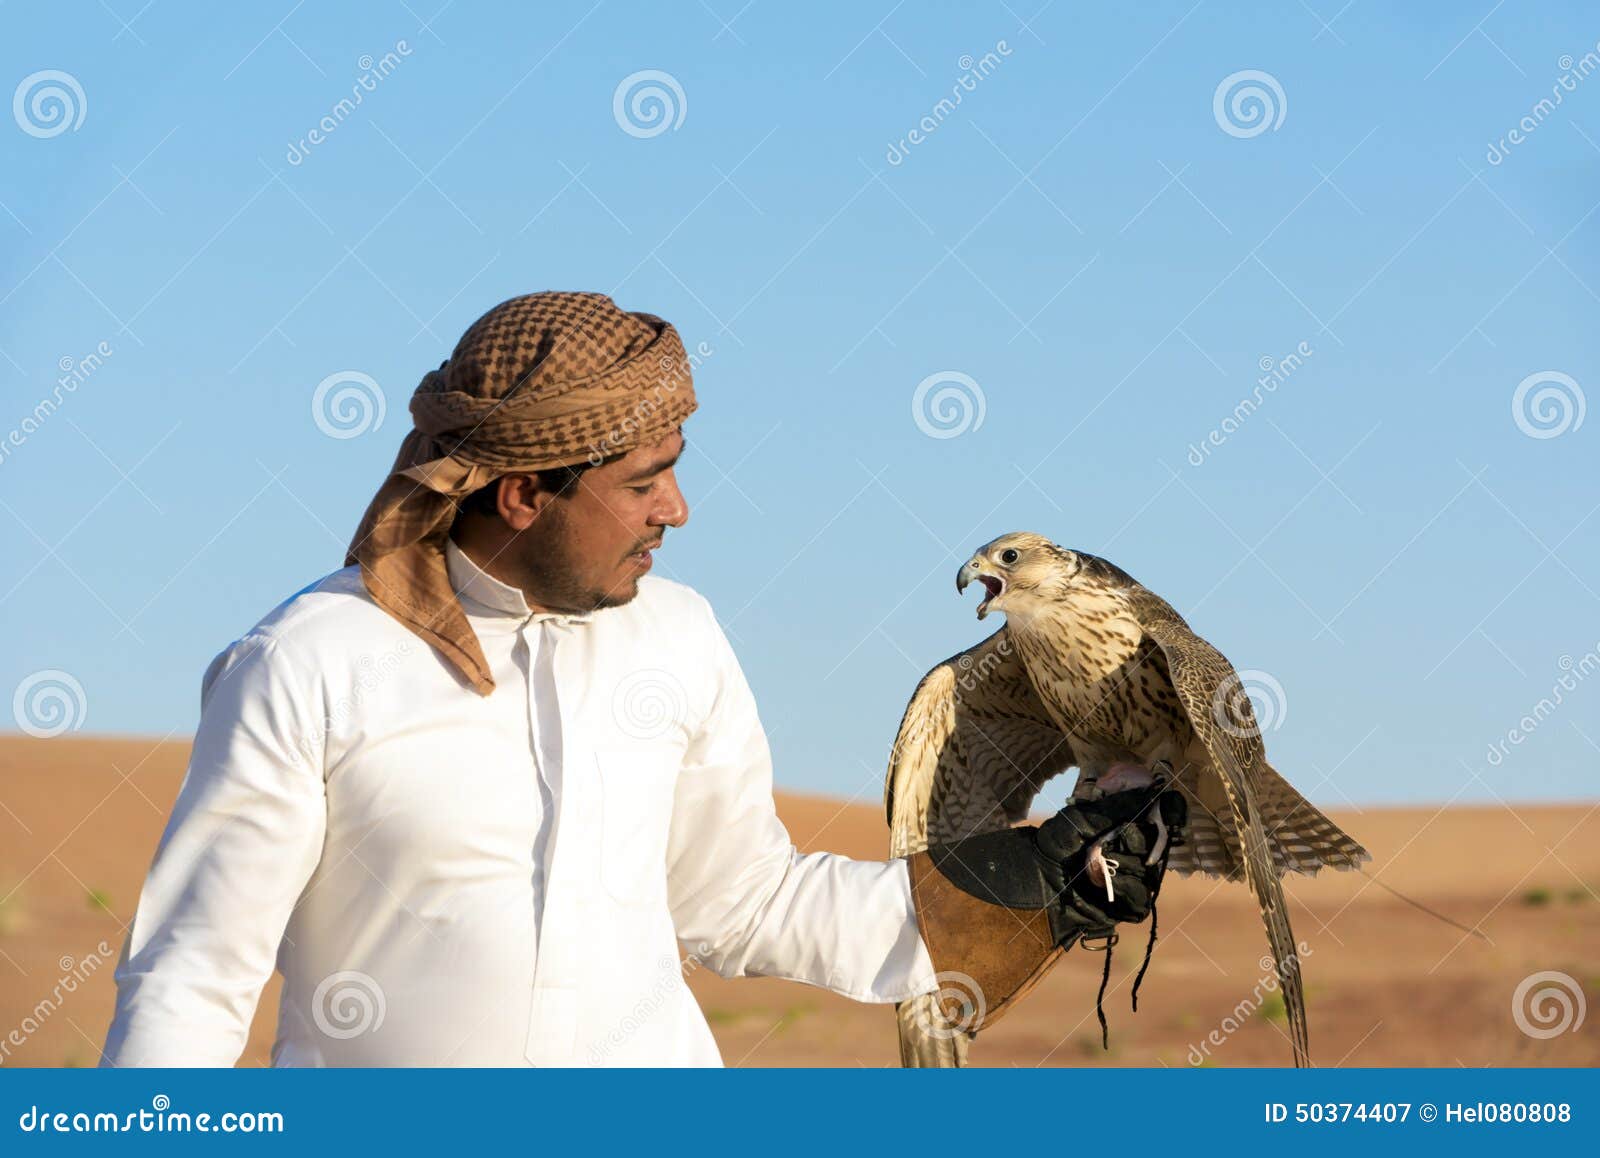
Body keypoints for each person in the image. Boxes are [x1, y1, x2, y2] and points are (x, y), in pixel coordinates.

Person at [101, 292, 1176, 1066]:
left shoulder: (679, 635)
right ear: (524, 494)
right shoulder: (308, 663)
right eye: (642, 482)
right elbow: (194, 976)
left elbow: (743, 901)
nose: (676, 510)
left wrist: (1035, 884)